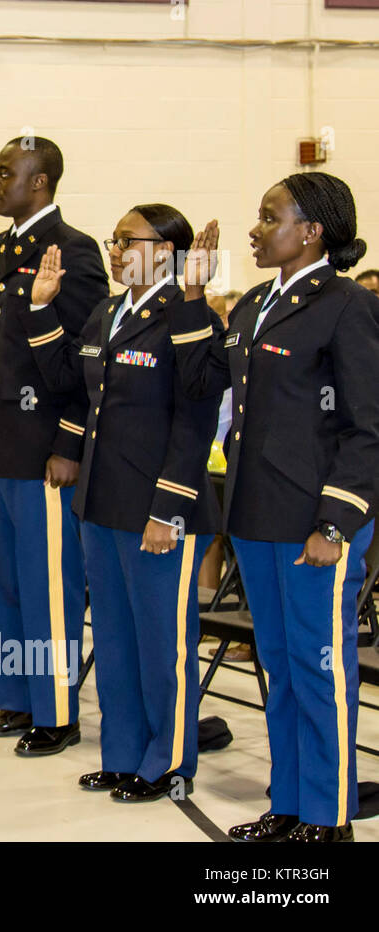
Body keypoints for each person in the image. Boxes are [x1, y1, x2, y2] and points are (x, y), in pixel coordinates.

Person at [168, 172, 379, 843]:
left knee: (321, 669)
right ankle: (289, 804)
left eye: (269, 217)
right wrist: (193, 299)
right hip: (257, 516)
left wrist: (336, 521)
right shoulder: (256, 302)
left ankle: (329, 815)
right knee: (281, 668)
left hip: (315, 520)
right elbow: (203, 382)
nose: (255, 229)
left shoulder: (346, 305)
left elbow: (367, 425)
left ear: (311, 231)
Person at [20, 204, 222, 801]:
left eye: (126, 240)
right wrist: (40, 306)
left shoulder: (184, 316)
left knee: (164, 645)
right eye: (113, 239)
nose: (113, 249)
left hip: (158, 510)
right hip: (102, 502)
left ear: (165, 251)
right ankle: (123, 753)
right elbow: (70, 385)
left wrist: (170, 508)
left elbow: (196, 417)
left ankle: (167, 763)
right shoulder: (109, 312)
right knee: (113, 638)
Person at [0, 137, 109, 754]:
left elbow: (85, 358)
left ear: (39, 184)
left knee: (47, 585)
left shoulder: (74, 251)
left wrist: (68, 441)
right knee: (4, 580)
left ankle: (56, 711)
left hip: (42, 449)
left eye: (6, 172)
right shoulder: (5, 247)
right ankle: (15, 698)